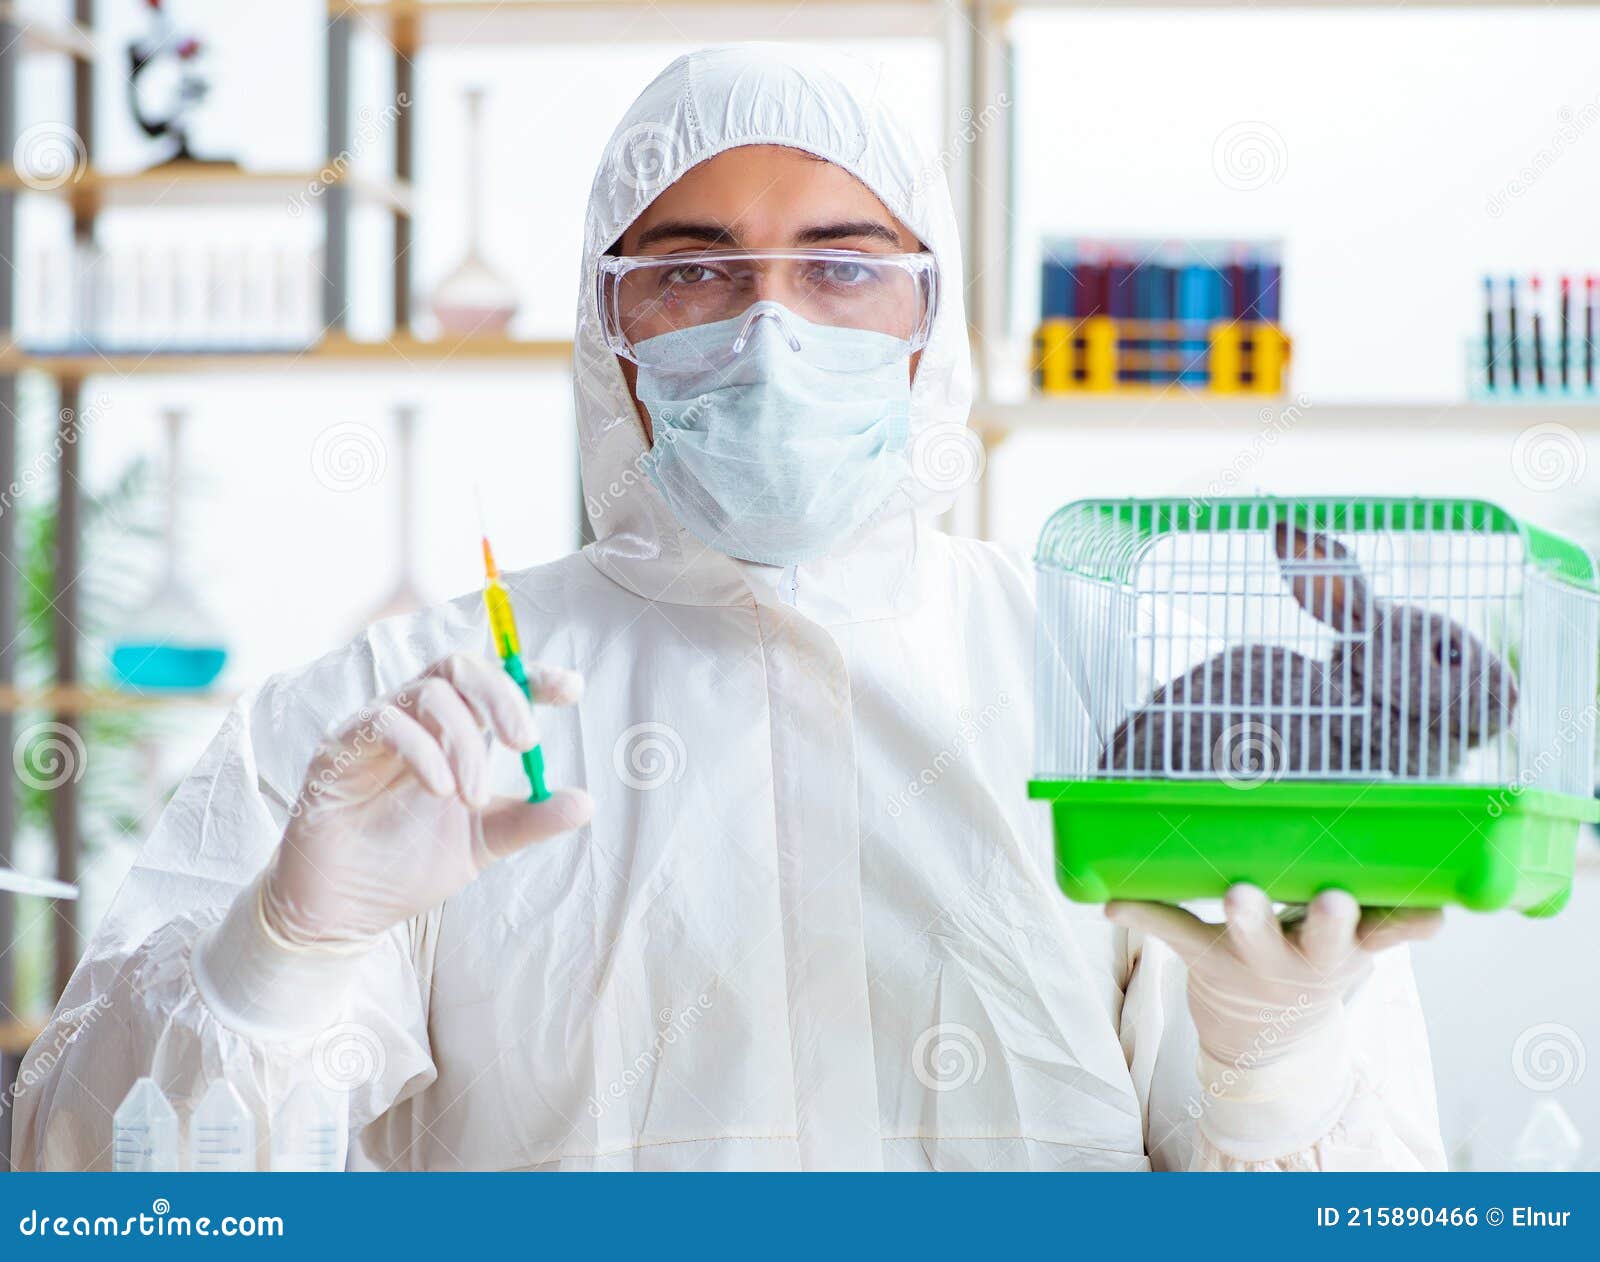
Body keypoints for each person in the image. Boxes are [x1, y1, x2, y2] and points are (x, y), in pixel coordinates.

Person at [13, 43, 1445, 1172]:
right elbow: (107, 1199)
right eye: (692, 270)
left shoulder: (1100, 676)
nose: (771, 330)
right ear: (609, 327)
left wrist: (1274, 1062)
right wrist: (281, 953)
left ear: (930, 320)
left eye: (844, 266)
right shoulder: (406, 718)